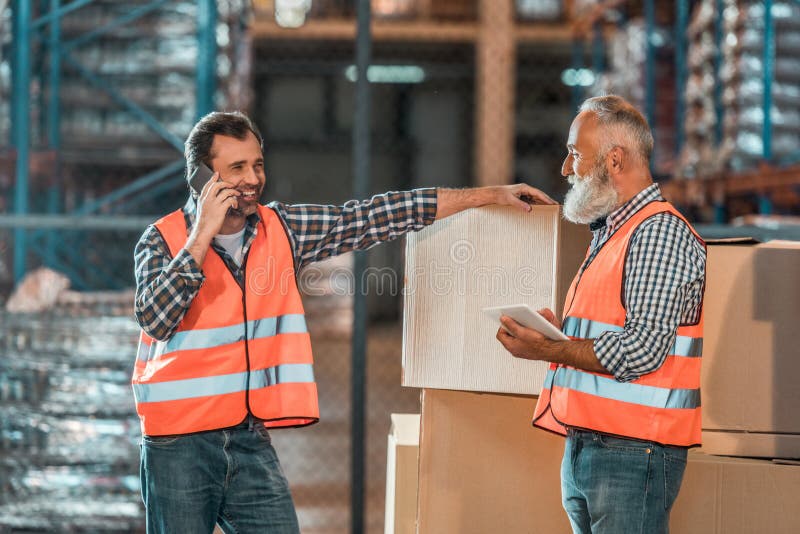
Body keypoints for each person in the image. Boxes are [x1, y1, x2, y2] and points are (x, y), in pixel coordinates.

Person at [132, 110, 555, 534]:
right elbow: (156, 319)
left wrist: (490, 195)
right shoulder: (162, 239)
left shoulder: (282, 229)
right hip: (178, 446)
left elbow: (373, 216)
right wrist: (200, 236)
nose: (253, 178)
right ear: (202, 178)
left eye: (257, 164)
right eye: (236, 167)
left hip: (247, 439)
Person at [495, 95, 706, 534]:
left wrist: (550, 347)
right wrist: (556, 331)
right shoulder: (616, 231)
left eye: (575, 154)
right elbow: (610, 327)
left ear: (614, 159)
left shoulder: (657, 234)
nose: (565, 169)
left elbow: (642, 351)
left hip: (632, 453)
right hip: (594, 445)